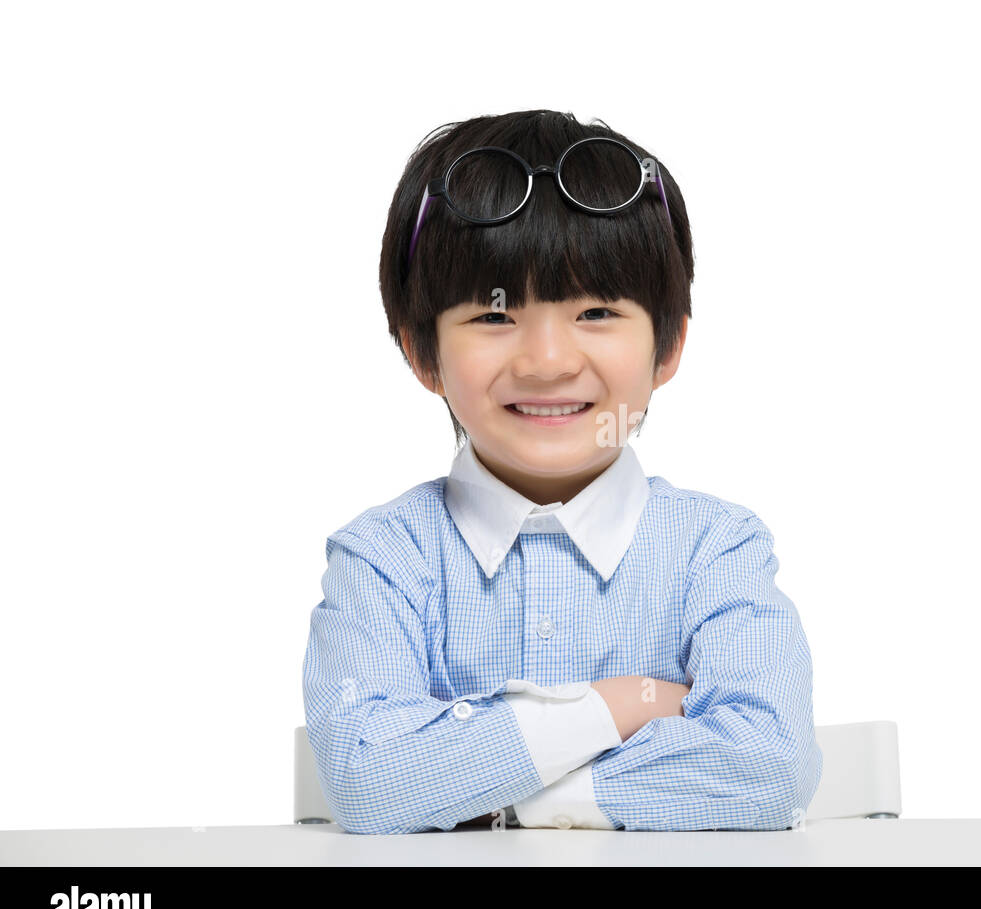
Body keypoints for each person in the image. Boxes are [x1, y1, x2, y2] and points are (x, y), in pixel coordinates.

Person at [302, 108, 822, 833]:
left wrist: (498, 796)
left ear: (666, 350)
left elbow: (770, 765)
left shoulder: (716, 548)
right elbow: (367, 783)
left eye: (597, 312)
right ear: (423, 354)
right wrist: (624, 704)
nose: (547, 361)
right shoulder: (383, 558)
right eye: (493, 316)